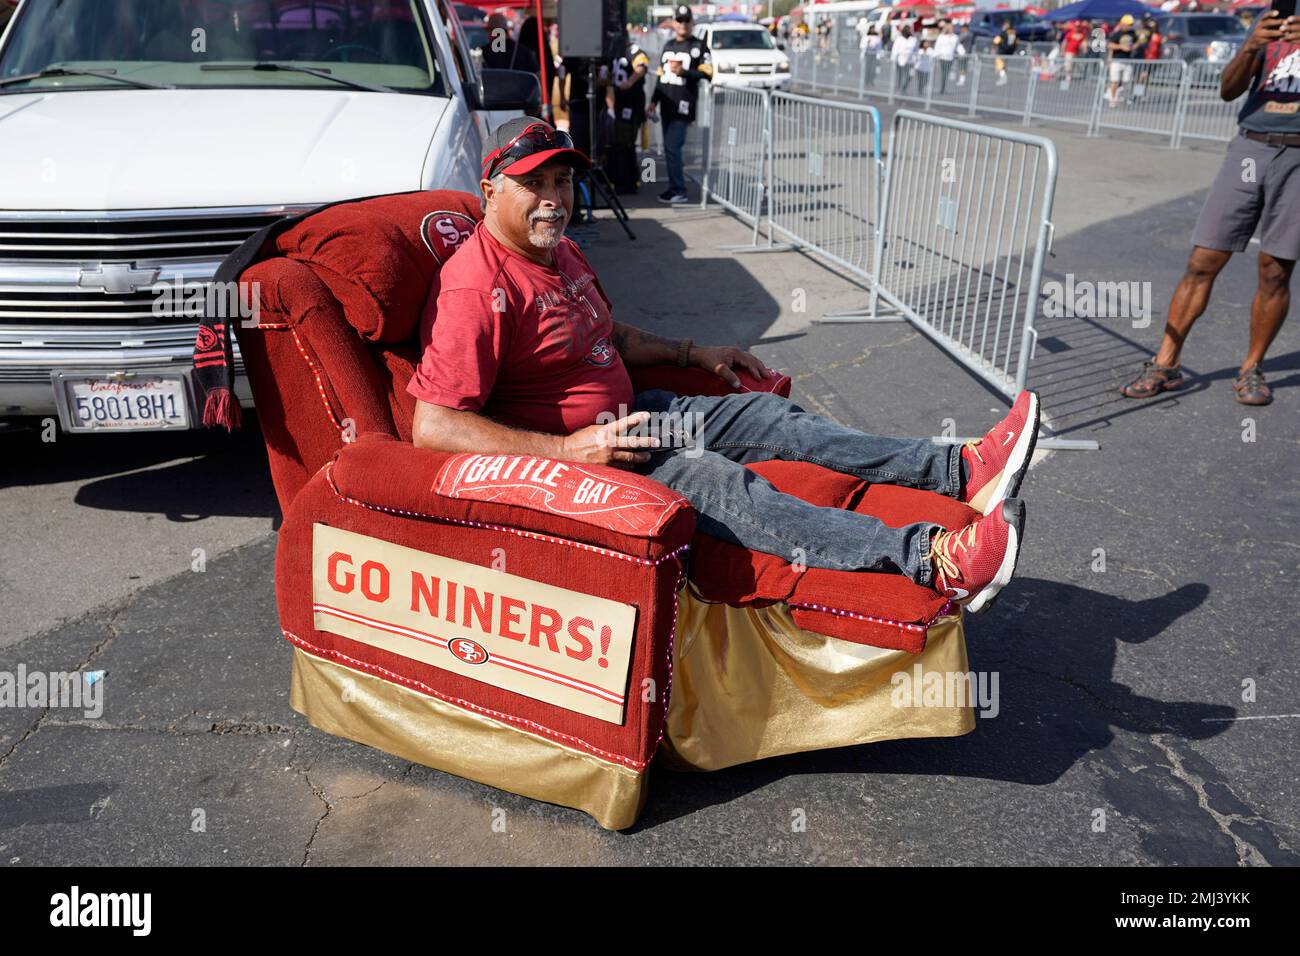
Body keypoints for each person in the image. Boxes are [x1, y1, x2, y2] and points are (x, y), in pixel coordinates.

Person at [408, 116, 1039, 612]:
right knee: (727, 486)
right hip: (596, 458)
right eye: (534, 183)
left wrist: (693, 354)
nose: (553, 199)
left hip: (641, 417)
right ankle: (936, 561)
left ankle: (958, 468)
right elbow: (432, 426)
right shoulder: (476, 289)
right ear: (490, 191)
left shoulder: (562, 252)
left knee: (773, 418)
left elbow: (607, 336)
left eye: (562, 182)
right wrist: (569, 453)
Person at [1121, 10, 1300, 406]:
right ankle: (1166, 363)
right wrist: (1252, 45)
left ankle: (1252, 367)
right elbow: (1227, 89)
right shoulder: (1267, 22)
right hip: (1250, 147)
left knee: (1275, 269)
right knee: (1203, 260)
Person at [647, 5, 712, 205]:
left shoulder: (699, 45)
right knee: (669, 149)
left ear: (692, 23)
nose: (683, 24)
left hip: (684, 105)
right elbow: (661, 77)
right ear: (674, 23)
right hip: (667, 103)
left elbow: (708, 73)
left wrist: (685, 72)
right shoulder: (668, 45)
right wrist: (653, 101)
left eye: (687, 21)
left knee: (673, 147)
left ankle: (679, 190)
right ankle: (675, 187)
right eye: (680, 20)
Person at [605, 40, 650, 194]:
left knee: (625, 144)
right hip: (616, 105)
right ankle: (618, 180)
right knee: (617, 144)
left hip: (630, 106)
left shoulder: (633, 50)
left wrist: (629, 83)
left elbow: (642, 66)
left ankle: (628, 183)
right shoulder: (610, 50)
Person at [480, 12, 539, 77]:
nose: (488, 35)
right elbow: (536, 74)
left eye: (489, 31)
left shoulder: (485, 52)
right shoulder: (524, 51)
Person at [1106, 13, 1138, 106]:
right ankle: (1112, 98)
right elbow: (1110, 45)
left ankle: (1115, 93)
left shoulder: (1133, 34)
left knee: (1127, 81)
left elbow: (1136, 43)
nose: (1130, 26)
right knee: (1114, 80)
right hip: (1117, 59)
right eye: (1129, 24)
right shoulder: (1117, 34)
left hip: (1128, 60)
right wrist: (1121, 47)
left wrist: (1133, 47)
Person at [934, 19, 966, 94]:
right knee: (944, 73)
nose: (952, 29)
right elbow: (937, 46)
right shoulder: (941, 36)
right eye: (950, 28)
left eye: (952, 28)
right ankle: (942, 88)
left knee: (946, 73)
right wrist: (936, 54)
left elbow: (958, 46)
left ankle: (943, 88)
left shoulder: (955, 37)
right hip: (942, 57)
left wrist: (963, 53)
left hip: (950, 58)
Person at [892, 24, 918, 94]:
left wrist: (915, 59)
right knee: (900, 76)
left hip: (910, 61)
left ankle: (904, 88)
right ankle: (899, 88)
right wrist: (894, 59)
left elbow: (915, 50)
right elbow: (895, 49)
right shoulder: (899, 39)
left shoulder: (913, 39)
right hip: (900, 61)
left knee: (910, 75)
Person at [992, 19, 1019, 85]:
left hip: (1002, 51)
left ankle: (1003, 78)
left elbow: (996, 41)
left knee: (1000, 64)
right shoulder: (1014, 32)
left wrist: (994, 45)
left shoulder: (1004, 33)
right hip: (1010, 52)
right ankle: (1003, 77)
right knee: (1003, 65)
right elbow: (1017, 42)